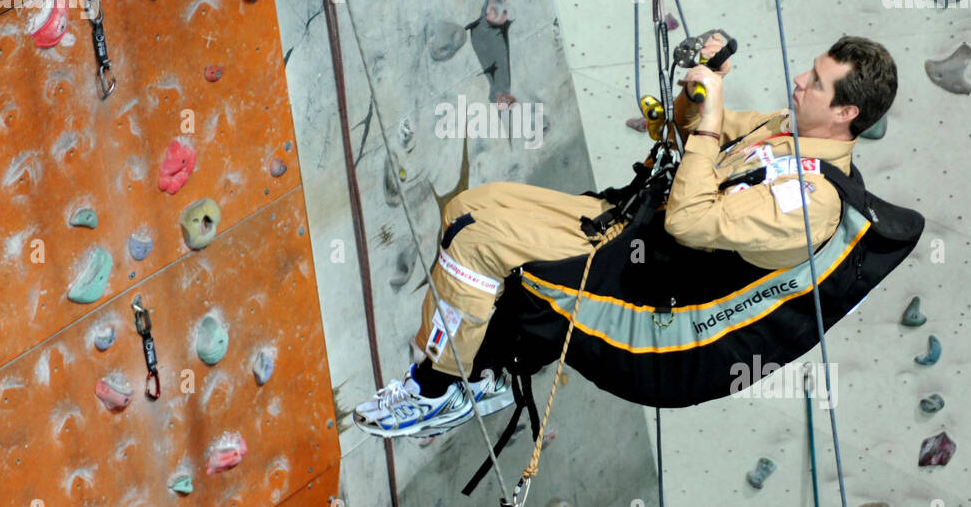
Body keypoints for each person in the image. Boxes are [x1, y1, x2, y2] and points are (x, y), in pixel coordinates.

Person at [353, 34, 899, 437]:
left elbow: (690, 220)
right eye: (810, 69)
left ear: (846, 113)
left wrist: (709, 124)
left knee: (474, 243)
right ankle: (478, 363)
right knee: (469, 208)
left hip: (647, 292)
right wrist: (697, 91)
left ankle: (439, 387)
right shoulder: (786, 127)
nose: (800, 81)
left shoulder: (811, 205)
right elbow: (685, 128)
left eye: (817, 83)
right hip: (631, 227)